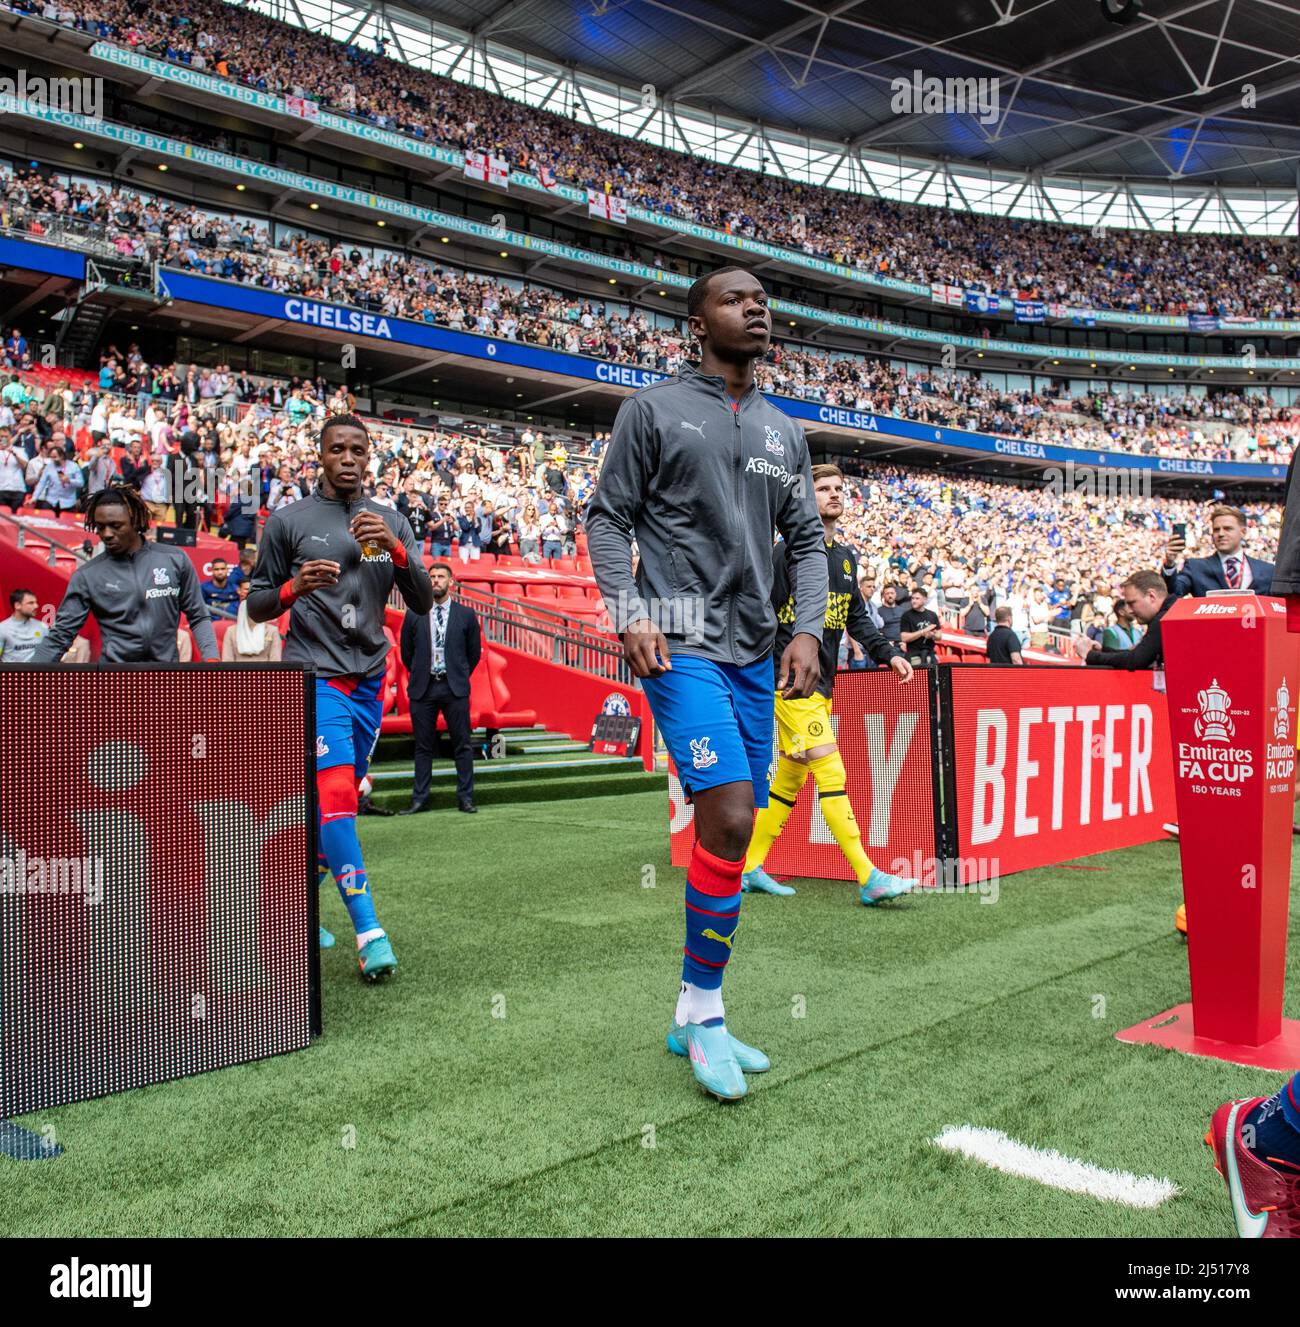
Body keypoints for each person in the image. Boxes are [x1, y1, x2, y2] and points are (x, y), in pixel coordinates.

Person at [586, 265, 827, 1103]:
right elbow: (607, 517)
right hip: (678, 637)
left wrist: (806, 627)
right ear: (696, 322)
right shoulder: (650, 410)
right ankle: (712, 1018)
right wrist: (630, 610)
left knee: (741, 826)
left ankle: (690, 1006)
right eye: (734, 298)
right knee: (726, 814)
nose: (755, 307)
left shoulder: (782, 430)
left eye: (763, 299)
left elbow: (807, 542)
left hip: (756, 650)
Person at [246, 414, 433, 979]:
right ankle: (370, 931)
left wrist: (398, 552)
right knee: (336, 799)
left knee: (340, 800)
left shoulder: (390, 520)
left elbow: (423, 602)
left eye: (358, 450)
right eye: (337, 450)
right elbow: (256, 604)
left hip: (369, 677)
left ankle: (289, 909)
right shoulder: (288, 522)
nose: (348, 459)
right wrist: (291, 587)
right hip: (313, 674)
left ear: (368, 457)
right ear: (321, 456)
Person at [742, 464, 918, 904]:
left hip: (820, 684)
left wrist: (889, 652)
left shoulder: (845, 556)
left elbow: (855, 614)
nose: (834, 495)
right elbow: (762, 614)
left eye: (839, 489)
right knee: (830, 768)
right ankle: (869, 877)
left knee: (789, 779)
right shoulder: (784, 554)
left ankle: (747, 867)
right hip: (788, 684)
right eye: (823, 489)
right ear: (806, 497)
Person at [30, 487, 219, 664]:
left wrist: (212, 659)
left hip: (166, 678)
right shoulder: (87, 576)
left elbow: (199, 616)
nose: (107, 534)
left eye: (115, 525)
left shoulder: (174, 559)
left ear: (135, 521)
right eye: (100, 527)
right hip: (117, 681)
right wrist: (26, 679)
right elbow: (61, 635)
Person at [399, 563, 483, 815]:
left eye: (440, 577)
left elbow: (473, 654)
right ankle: (419, 798)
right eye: (432, 577)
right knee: (423, 747)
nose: (435, 581)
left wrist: (458, 674)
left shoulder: (466, 615)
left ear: (451, 582)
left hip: (454, 687)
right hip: (423, 689)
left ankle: (466, 798)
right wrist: (421, 673)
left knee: (463, 745)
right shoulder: (414, 613)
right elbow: (406, 653)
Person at [1162, 505, 1274, 597]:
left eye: (1227, 528)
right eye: (1216, 529)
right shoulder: (1196, 567)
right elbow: (1174, 592)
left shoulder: (1267, 571)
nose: (1220, 534)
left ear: (1243, 532)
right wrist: (1169, 564)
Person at [1075, 570, 1173, 670]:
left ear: (1151, 596)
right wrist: (1102, 651)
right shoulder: (1169, 612)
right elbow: (1139, 654)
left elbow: (1135, 660)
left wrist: (1090, 655)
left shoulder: (1165, 618)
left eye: (1132, 603)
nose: (1130, 611)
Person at [221, 581, 282, 661]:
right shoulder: (231, 631)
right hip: (239, 672)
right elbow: (227, 662)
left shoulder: (272, 631)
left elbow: (276, 661)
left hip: (264, 672)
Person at [0, 587, 47, 662]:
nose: (36, 606)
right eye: (31, 603)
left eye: (36, 602)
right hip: (12, 673)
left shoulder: (43, 627)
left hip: (37, 673)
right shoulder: (2, 629)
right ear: (17, 605)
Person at [899, 586, 941, 665]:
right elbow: (904, 637)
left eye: (917, 598)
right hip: (914, 656)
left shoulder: (932, 615)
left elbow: (939, 636)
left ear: (925, 600)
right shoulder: (906, 615)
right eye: (912, 598)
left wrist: (932, 635)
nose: (914, 601)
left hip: (930, 654)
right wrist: (923, 632)